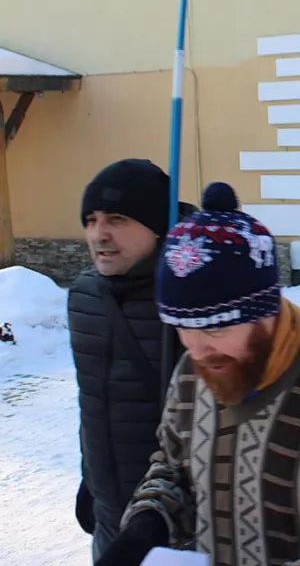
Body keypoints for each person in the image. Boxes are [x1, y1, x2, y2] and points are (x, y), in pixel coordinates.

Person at [93, 182, 300, 566]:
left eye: (216, 327)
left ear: (263, 313)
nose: (197, 349)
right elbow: (175, 468)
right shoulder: (195, 372)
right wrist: (148, 522)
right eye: (182, 327)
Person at [69, 159, 195, 560]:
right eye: (91, 219)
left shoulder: (193, 301)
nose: (99, 234)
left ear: (158, 226)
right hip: (109, 521)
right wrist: (91, 480)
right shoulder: (84, 296)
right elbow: (93, 401)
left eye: (117, 219)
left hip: (179, 525)